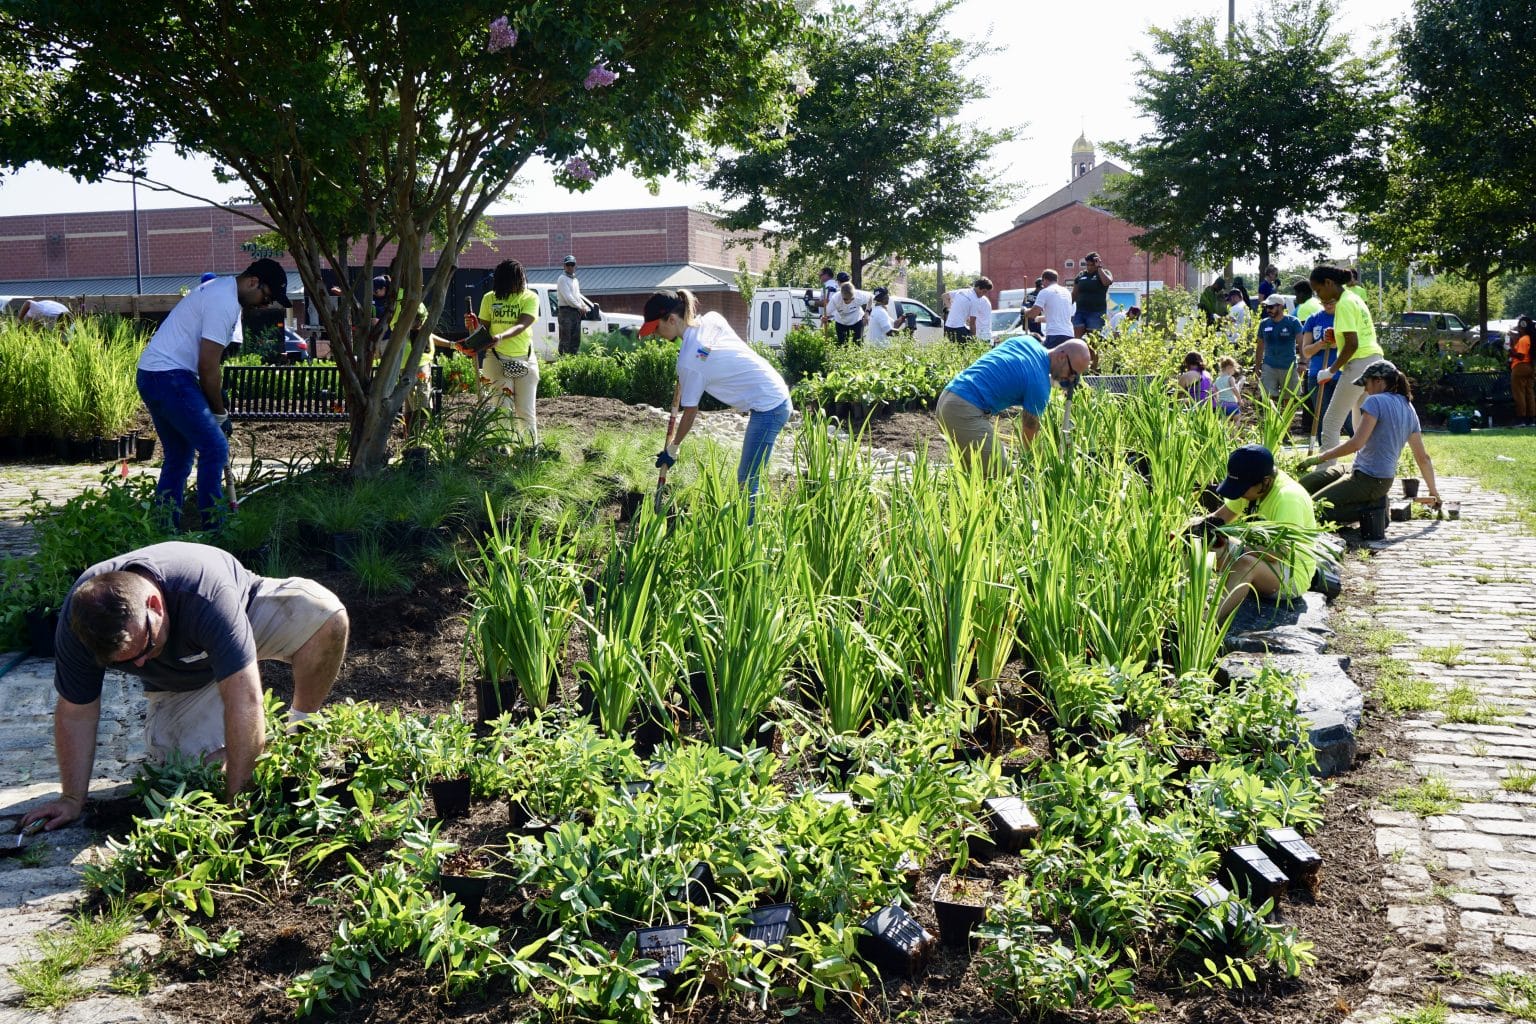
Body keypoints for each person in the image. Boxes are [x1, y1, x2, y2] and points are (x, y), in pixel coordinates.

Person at [19, 542, 349, 831]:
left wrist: (237, 802)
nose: (139, 665)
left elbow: (244, 700)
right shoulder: (82, 623)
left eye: (144, 648)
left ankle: (299, 731)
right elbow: (77, 713)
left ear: (155, 606)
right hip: (180, 682)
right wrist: (72, 798)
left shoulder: (202, 594)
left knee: (325, 615)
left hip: (248, 619)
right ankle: (255, 749)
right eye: (123, 662)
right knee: (183, 776)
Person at [136, 259, 287, 529]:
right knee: (215, 446)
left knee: (179, 456)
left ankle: (163, 528)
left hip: (153, 375)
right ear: (253, 282)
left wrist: (213, 406)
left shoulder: (220, 290)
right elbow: (208, 366)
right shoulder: (224, 302)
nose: (265, 305)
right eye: (267, 297)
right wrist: (219, 412)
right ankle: (216, 530)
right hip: (170, 377)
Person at [643, 289, 792, 505]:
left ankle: (749, 535)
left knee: (747, 479)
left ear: (672, 319)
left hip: (769, 407)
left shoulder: (688, 363)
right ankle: (749, 529)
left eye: (656, 328)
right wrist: (685, 346)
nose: (655, 335)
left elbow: (690, 412)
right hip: (774, 390)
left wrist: (673, 448)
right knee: (749, 477)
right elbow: (704, 351)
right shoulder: (712, 319)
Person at [1183, 444, 1319, 621]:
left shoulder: (1288, 498)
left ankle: (1205, 623)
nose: (1239, 494)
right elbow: (1221, 516)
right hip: (1258, 555)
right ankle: (1185, 607)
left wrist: (1235, 546)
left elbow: (1277, 553)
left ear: (1266, 482)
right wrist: (1194, 528)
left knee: (1246, 564)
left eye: (1242, 489)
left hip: (1289, 573)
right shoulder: (1251, 489)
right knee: (1195, 544)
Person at [1296, 361, 1440, 521]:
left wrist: (1319, 458)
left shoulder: (1375, 401)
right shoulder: (1409, 408)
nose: (1364, 389)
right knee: (1306, 483)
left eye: (1366, 383)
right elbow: (1423, 458)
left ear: (1378, 381)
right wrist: (1434, 492)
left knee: (1314, 509)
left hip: (1371, 479)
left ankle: (1374, 509)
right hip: (1365, 472)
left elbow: (1356, 443)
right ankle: (1373, 501)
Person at [935, 337, 1092, 469]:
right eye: (1072, 373)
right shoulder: (1039, 382)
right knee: (1001, 472)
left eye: (1076, 378)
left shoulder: (1027, 341)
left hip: (948, 397)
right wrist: (1038, 465)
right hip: (963, 410)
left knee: (974, 472)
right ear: (1061, 357)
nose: (1071, 380)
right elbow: (1029, 431)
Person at [1310, 265, 1385, 468]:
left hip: (1359, 363)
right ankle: (1367, 469)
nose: (1319, 296)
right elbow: (1354, 335)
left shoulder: (1343, 304)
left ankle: (1324, 474)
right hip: (1375, 361)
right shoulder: (1354, 297)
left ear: (1328, 283)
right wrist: (1337, 336)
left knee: (1331, 422)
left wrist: (1330, 370)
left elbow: (1352, 344)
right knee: (1360, 423)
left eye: (1318, 290)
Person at [467, 259, 540, 444]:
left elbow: (523, 324)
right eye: (519, 277)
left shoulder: (530, 297)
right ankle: (502, 451)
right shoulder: (489, 298)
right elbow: (483, 330)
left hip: (525, 359)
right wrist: (474, 326)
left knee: (525, 411)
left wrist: (501, 336)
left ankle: (530, 452)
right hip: (496, 360)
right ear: (508, 280)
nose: (523, 281)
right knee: (502, 410)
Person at [1299, 294, 1338, 444]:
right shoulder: (1313, 319)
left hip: (1340, 373)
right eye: (1325, 302)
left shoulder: (1343, 317)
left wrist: (1336, 343)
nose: (1328, 305)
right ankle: (1324, 451)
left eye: (1331, 301)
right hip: (1317, 374)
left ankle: (1361, 450)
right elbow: (1306, 351)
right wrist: (1322, 343)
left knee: (1346, 416)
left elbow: (1352, 345)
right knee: (1322, 415)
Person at [1254, 293, 1303, 401]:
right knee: (1267, 398)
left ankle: (1286, 418)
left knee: (1289, 399)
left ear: (1281, 306)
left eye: (1271, 307)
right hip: (1269, 366)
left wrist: (1303, 363)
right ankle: (1269, 418)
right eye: (1266, 307)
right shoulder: (1264, 324)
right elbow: (1260, 347)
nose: (1268, 310)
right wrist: (1257, 367)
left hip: (1289, 366)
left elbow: (1301, 343)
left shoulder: (1293, 322)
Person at [1022, 269, 1074, 348]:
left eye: (1042, 282)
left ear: (1045, 280)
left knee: (1047, 359)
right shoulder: (1066, 292)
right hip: (1069, 334)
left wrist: (1025, 312)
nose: (1042, 285)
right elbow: (1055, 316)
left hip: (1055, 335)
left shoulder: (1045, 292)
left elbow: (1033, 313)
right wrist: (1037, 319)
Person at [556, 255, 594, 357]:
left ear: (575, 266)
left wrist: (584, 306)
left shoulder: (575, 280)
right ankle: (564, 365)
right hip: (566, 312)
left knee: (575, 340)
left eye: (572, 264)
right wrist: (580, 307)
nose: (570, 267)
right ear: (564, 266)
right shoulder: (562, 279)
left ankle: (573, 363)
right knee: (566, 341)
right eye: (568, 265)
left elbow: (577, 296)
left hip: (575, 313)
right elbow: (568, 298)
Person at [1071, 252, 1113, 337]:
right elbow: (1075, 293)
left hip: (1096, 313)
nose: (1089, 267)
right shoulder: (1081, 275)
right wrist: (1068, 305)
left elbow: (1107, 282)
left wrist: (1099, 268)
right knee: (1077, 339)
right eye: (1087, 265)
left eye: (1091, 265)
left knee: (1093, 341)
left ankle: (1091, 351)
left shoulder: (1104, 273)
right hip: (1080, 311)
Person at [944, 277, 993, 343]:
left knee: (956, 349)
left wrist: (951, 309)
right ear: (978, 287)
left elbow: (944, 296)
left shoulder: (962, 291)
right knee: (968, 348)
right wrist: (974, 339)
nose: (983, 295)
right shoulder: (975, 300)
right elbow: (972, 323)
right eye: (984, 291)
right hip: (959, 329)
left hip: (948, 327)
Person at [825, 280, 868, 345]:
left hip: (857, 321)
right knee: (843, 345)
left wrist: (867, 314)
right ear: (841, 294)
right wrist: (825, 317)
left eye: (851, 298)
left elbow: (871, 298)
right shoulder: (835, 298)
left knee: (858, 344)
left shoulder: (859, 295)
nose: (848, 301)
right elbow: (826, 314)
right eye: (845, 299)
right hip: (841, 323)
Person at [1509, 315, 1534, 427]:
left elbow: (1520, 355)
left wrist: (1509, 351)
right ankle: (1531, 418)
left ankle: (1521, 418)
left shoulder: (1524, 339)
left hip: (1520, 367)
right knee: (1529, 393)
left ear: (1522, 326)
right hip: (1530, 367)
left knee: (1519, 393)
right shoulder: (1531, 338)